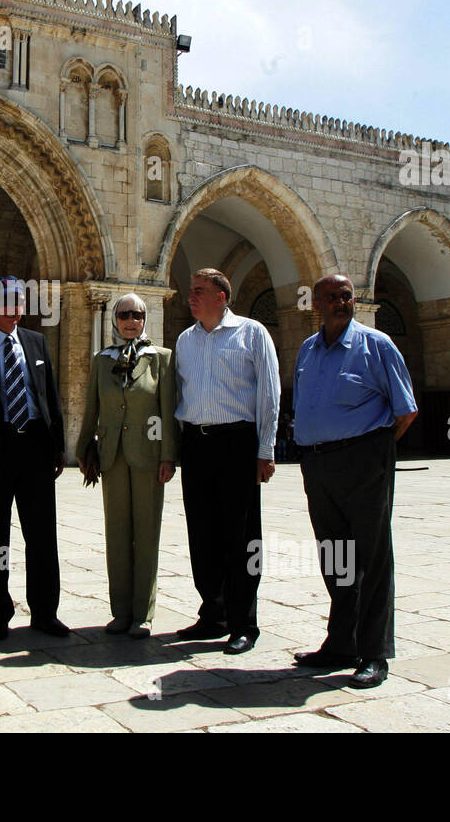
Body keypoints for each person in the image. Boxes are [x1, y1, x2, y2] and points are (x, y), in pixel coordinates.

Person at [290, 274, 417, 689]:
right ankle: (341, 642)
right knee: (337, 556)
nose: (341, 302)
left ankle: (374, 652)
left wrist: (369, 449)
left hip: (364, 461)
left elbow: (405, 410)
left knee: (373, 557)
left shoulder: (377, 345)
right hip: (318, 465)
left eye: (347, 296)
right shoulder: (308, 350)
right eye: (332, 297)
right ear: (316, 305)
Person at [172, 268, 280, 654]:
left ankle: (243, 623)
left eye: (200, 291)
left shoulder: (252, 334)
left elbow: (269, 393)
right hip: (197, 445)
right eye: (191, 290)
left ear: (221, 297)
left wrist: (265, 450)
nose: (191, 296)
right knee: (202, 533)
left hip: (237, 443)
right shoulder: (185, 341)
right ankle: (212, 614)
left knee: (241, 535)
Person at [0, 277, 69, 640]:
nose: (13, 310)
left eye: (18, 302)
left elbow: (50, 396)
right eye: (5, 302)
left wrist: (58, 447)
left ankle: (45, 611)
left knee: (41, 535)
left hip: (34, 447)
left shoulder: (36, 341)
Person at [75, 293, 178, 639]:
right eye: (123, 315)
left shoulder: (161, 358)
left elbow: (167, 410)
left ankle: (142, 613)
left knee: (147, 533)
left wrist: (168, 456)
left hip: (148, 457)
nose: (130, 321)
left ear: (144, 318)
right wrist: (83, 447)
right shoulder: (102, 360)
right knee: (117, 533)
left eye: (136, 315)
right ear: (114, 319)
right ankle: (120, 611)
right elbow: (92, 408)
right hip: (112, 456)